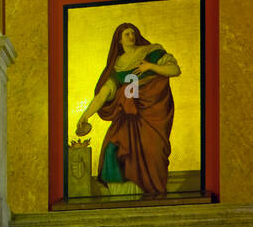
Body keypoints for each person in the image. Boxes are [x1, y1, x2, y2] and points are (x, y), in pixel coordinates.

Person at [75, 23, 181, 197]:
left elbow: (175, 70)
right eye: (127, 34)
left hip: (151, 115)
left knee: (152, 152)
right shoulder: (117, 67)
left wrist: (150, 67)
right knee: (112, 149)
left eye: (133, 33)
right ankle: (121, 195)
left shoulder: (151, 52)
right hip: (128, 117)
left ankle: (150, 193)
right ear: (119, 39)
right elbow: (103, 94)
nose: (131, 36)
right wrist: (85, 116)